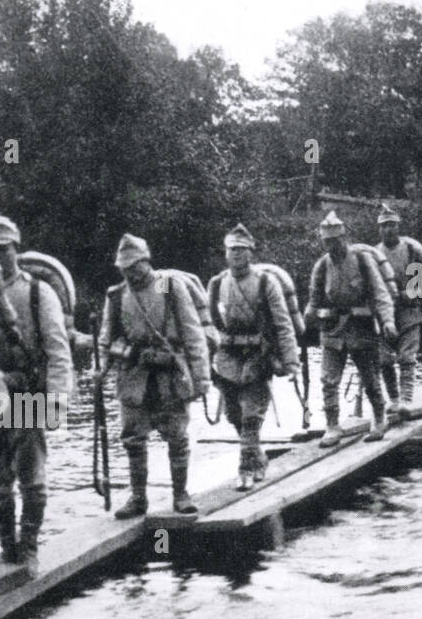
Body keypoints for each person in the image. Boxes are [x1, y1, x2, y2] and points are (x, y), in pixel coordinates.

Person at [0, 216, 73, 570]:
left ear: (16, 248)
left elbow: (58, 349)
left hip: (27, 394)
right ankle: (6, 548)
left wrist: (58, 398)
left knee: (31, 477)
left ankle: (28, 546)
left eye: (2, 248)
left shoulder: (36, 292)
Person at [98, 233, 210, 518]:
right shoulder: (117, 295)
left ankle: (180, 494)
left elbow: (192, 332)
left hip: (170, 375)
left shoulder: (167, 286)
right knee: (133, 437)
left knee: (176, 436)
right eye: (125, 267)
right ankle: (138, 498)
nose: (130, 272)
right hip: (134, 376)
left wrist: (201, 377)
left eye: (134, 265)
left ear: (146, 261)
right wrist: (101, 368)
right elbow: (106, 339)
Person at [206, 224, 300, 491]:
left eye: (241, 250)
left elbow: (283, 324)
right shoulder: (216, 285)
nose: (236, 254)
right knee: (234, 416)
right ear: (225, 253)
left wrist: (291, 361)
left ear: (251, 253)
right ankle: (256, 456)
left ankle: (246, 469)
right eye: (231, 249)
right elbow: (207, 324)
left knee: (250, 415)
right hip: (227, 357)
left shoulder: (265, 283)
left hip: (257, 357)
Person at [305, 211, 397, 447]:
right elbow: (314, 300)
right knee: (328, 380)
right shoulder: (322, 266)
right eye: (327, 242)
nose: (332, 246)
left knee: (370, 378)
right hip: (332, 331)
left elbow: (380, 293)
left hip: (361, 329)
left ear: (344, 238)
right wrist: (306, 318)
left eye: (335, 240)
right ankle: (332, 426)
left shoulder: (362, 260)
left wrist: (387, 320)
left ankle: (379, 418)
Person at [375, 204, 422, 417]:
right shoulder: (375, 254)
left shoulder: (412, 249)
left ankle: (406, 399)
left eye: (392, 225)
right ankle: (392, 399)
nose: (388, 230)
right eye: (384, 226)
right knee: (383, 359)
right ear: (379, 229)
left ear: (398, 226)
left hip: (409, 311)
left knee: (407, 358)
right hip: (385, 314)